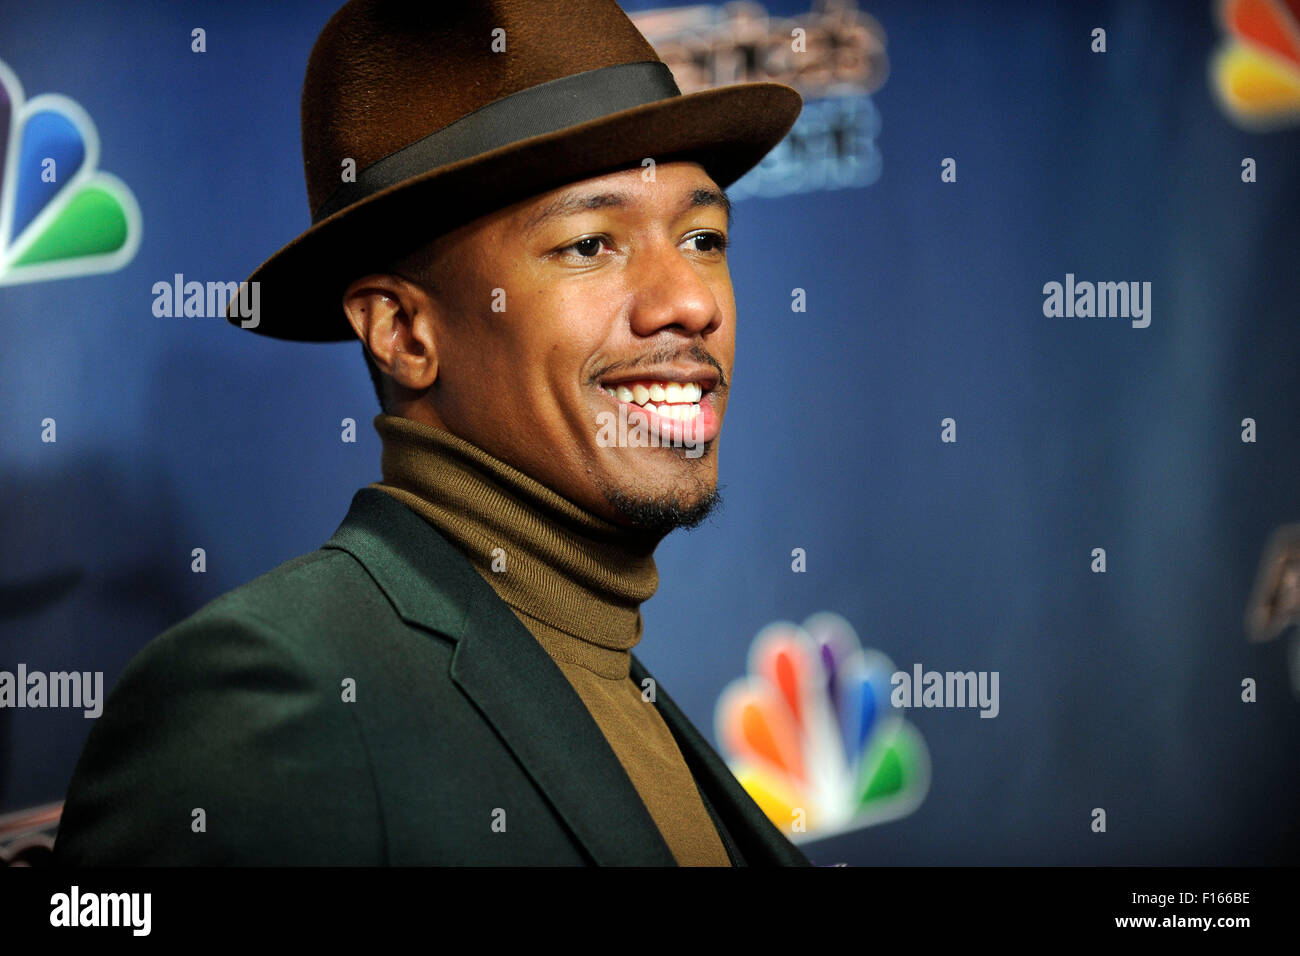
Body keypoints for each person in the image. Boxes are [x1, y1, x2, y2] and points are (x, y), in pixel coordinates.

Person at [54, 0, 809, 866]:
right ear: (403, 333)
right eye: (591, 244)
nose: (690, 301)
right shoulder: (271, 696)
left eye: (703, 236)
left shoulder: (599, 665)